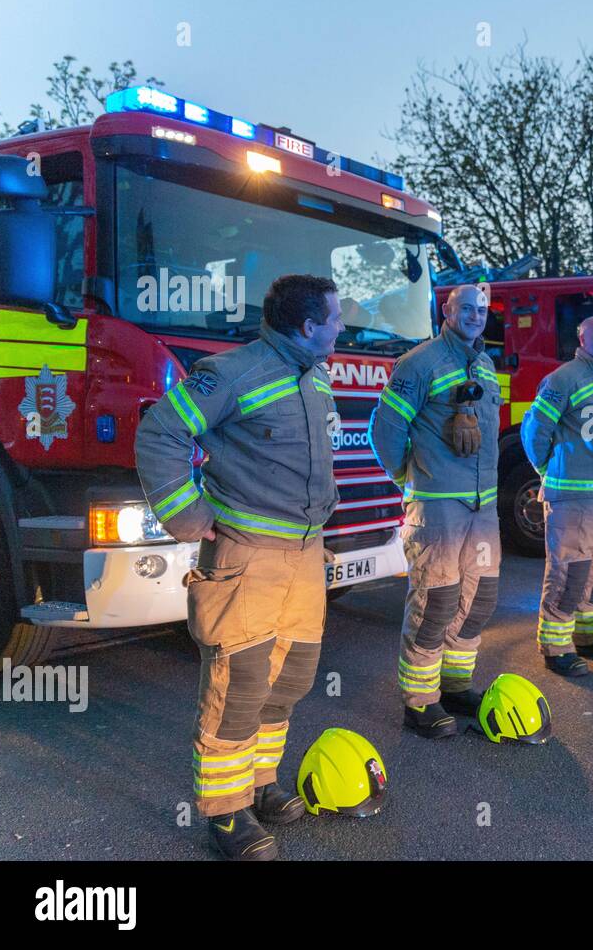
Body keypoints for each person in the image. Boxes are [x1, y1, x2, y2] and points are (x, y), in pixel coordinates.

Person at [135, 275, 343, 860]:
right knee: (240, 685)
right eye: (335, 318)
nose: (341, 328)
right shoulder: (230, 374)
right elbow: (160, 433)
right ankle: (226, 815)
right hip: (245, 557)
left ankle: (258, 783)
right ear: (308, 327)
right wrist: (187, 514)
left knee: (289, 680)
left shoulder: (316, 377)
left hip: (302, 558)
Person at [369, 284, 502, 739]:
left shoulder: (484, 363)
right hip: (439, 506)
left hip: (483, 506)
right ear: (447, 310)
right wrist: (411, 475)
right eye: (466, 307)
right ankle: (420, 701)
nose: (475, 315)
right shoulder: (419, 362)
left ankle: (455, 684)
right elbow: (386, 429)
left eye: (482, 309)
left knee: (479, 597)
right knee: (436, 601)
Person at [522, 316, 593, 676]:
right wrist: (548, 471)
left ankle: (587, 637)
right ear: (581, 338)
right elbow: (534, 431)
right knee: (570, 571)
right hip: (572, 497)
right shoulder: (564, 378)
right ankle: (555, 646)